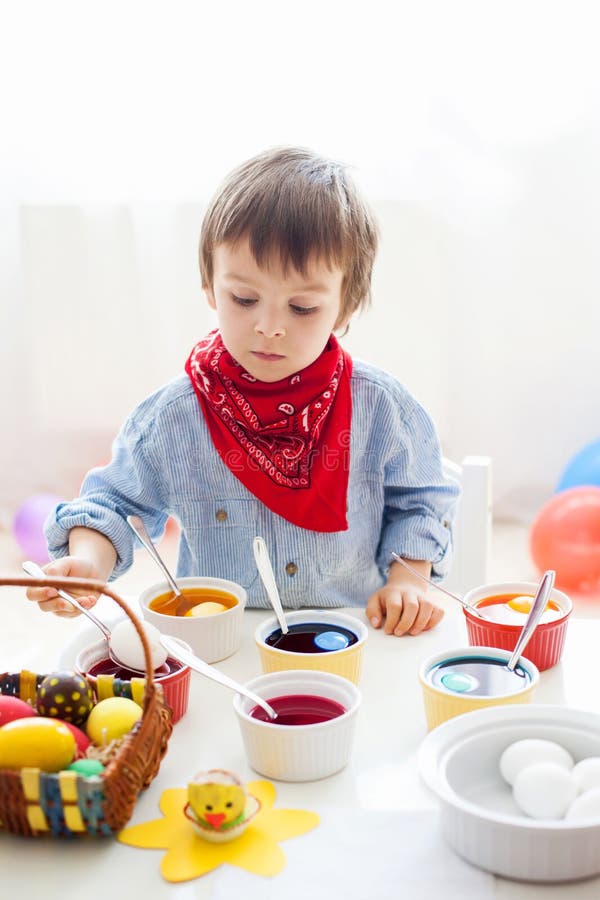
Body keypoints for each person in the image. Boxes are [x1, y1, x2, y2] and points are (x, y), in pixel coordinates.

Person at [26, 146, 459, 637]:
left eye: (301, 308)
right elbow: (111, 505)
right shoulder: (173, 417)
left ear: (344, 308)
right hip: (218, 643)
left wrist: (409, 581)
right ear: (210, 287)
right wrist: (88, 565)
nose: (269, 327)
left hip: (350, 634)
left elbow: (422, 501)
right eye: (244, 299)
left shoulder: (383, 409)